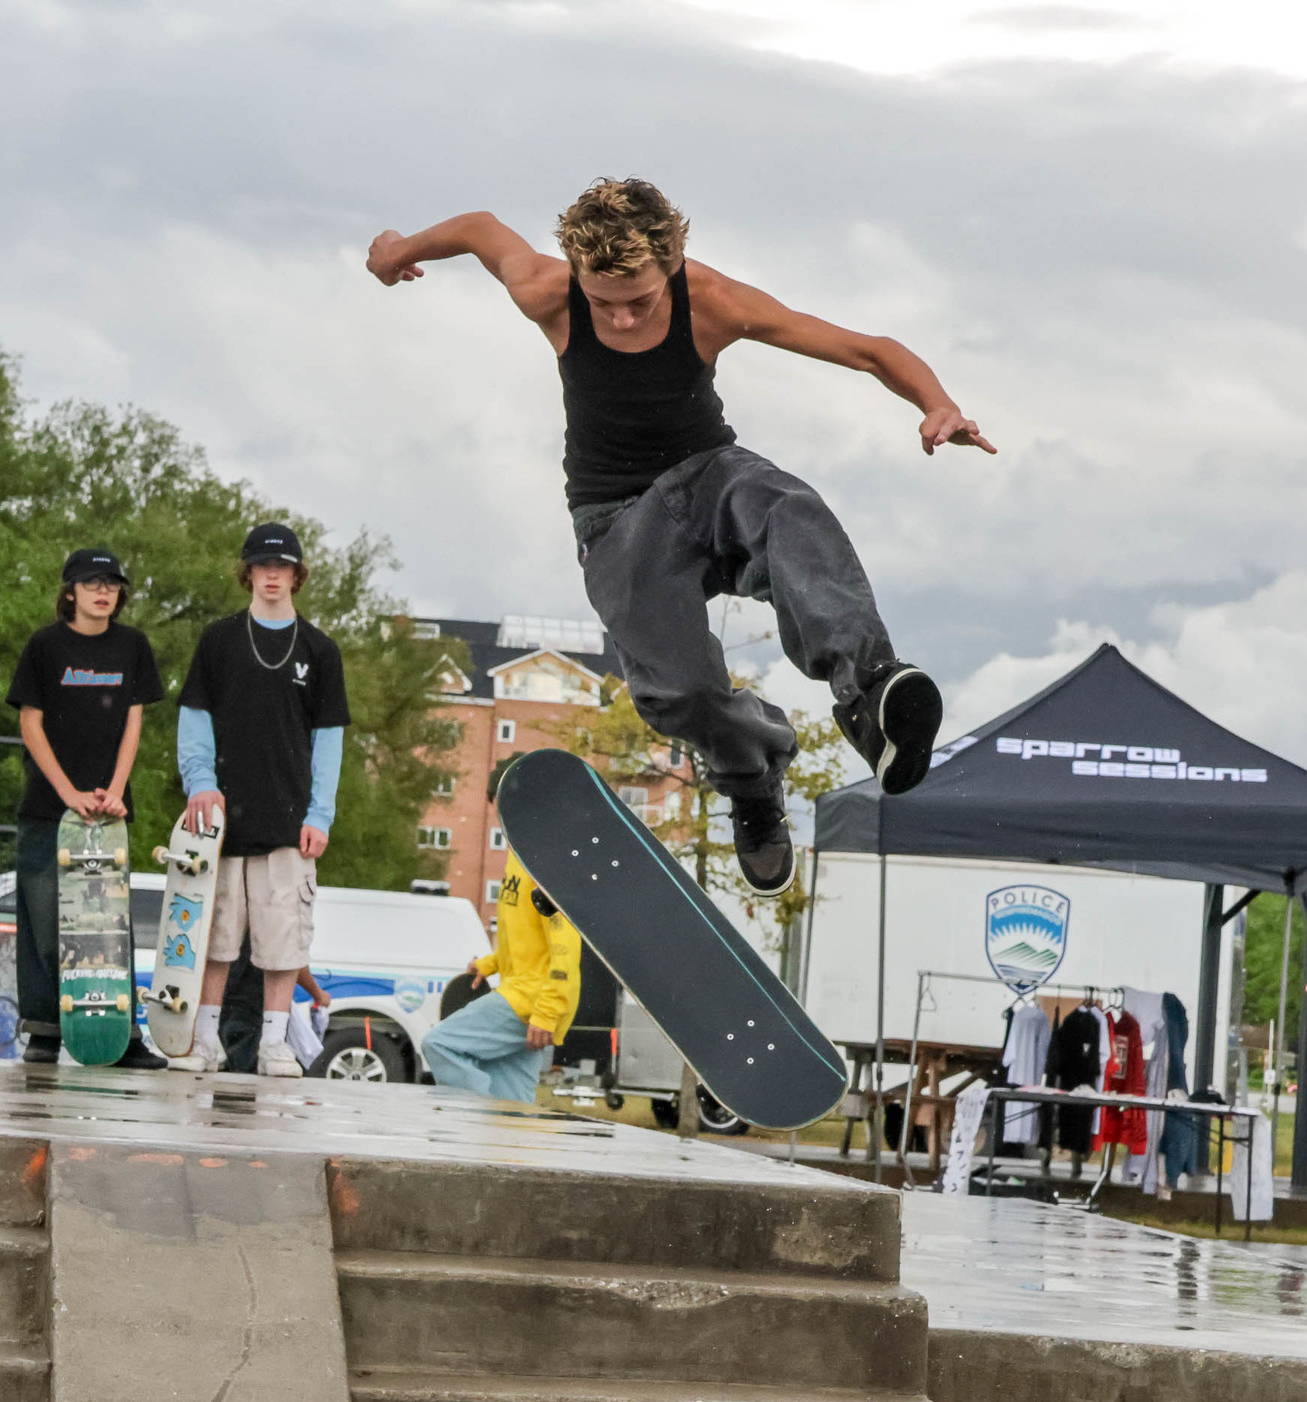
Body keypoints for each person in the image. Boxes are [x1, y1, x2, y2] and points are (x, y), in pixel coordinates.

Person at [366, 178, 995, 895]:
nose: (625, 321)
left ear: (671, 266)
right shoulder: (546, 290)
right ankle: (752, 776)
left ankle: (870, 691)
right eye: (605, 304)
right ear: (577, 277)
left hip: (710, 480)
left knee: (787, 508)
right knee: (677, 695)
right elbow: (480, 228)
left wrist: (937, 403)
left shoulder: (714, 300)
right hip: (613, 520)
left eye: (641, 301)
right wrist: (397, 250)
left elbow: (868, 350)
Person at [168, 523, 349, 1076]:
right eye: (263, 566)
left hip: (290, 820)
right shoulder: (219, 639)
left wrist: (321, 813)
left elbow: (330, 739)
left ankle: (275, 1044)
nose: (272, 576)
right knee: (215, 937)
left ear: (297, 575)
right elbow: (194, 719)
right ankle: (203, 1041)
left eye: (283, 567)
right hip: (221, 820)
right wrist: (199, 782)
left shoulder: (320, 650)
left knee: (282, 940)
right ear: (248, 572)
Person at [5, 548, 165, 1068]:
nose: (104, 592)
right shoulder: (45, 646)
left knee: (108, 925)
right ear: (70, 590)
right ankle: (46, 1032)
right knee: (45, 921)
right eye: (92, 583)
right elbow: (31, 723)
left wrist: (116, 789)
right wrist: (67, 791)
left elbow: (133, 723)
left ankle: (121, 1038)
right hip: (49, 810)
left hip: (109, 812)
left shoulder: (133, 646)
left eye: (113, 585)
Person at [423, 850, 580, 1105]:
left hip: (531, 999)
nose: (497, 810)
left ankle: (470, 1125)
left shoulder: (548, 862)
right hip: (525, 995)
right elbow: (523, 941)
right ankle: (506, 1139)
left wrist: (548, 1012)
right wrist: (489, 964)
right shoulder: (517, 859)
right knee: (510, 1108)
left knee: (440, 1044)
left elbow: (566, 949)